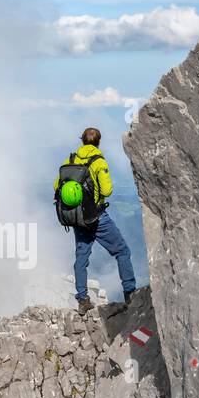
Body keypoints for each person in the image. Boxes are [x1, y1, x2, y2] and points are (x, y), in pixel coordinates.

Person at [53, 127, 136, 312]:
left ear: (82, 140)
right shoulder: (99, 161)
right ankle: (130, 293)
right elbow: (107, 191)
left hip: (77, 217)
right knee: (122, 251)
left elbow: (56, 185)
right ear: (98, 142)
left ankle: (83, 300)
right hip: (97, 218)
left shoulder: (70, 159)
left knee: (81, 258)